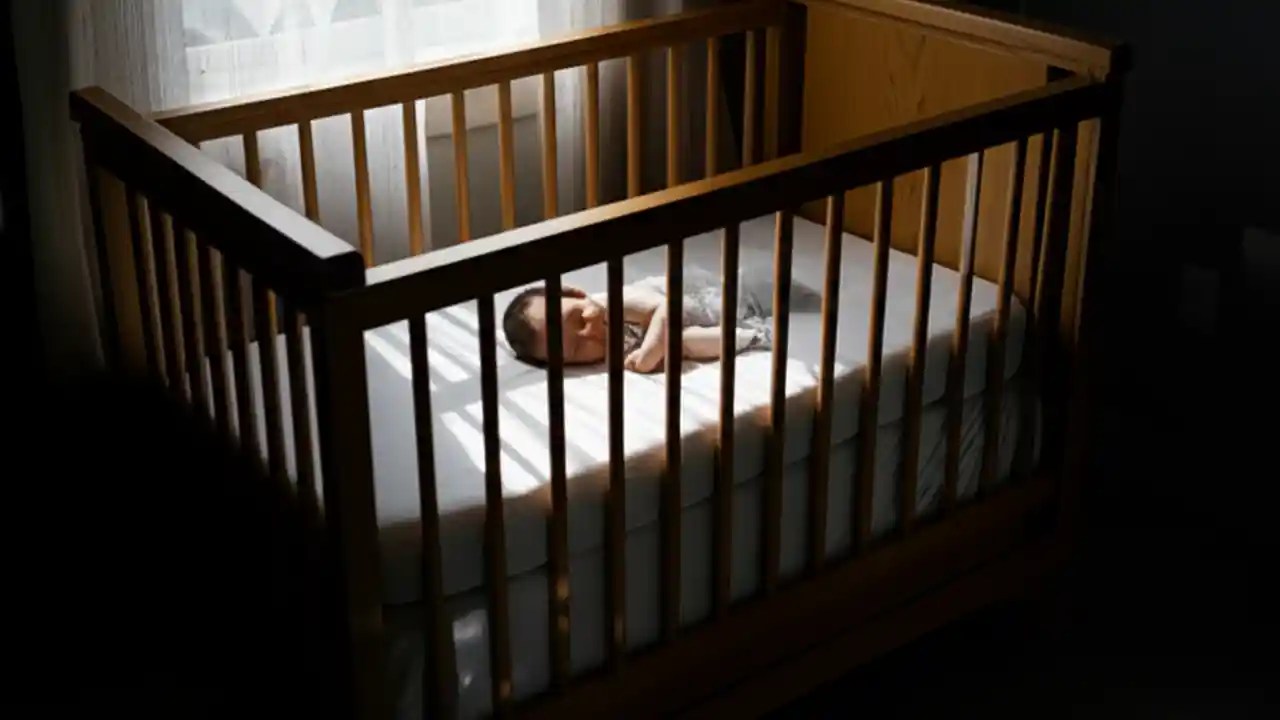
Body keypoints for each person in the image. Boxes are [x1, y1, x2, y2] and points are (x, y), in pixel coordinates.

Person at [502, 266, 817, 373]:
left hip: (706, 294)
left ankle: (830, 295)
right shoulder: (612, 356)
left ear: (575, 293)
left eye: (576, 318)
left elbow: (664, 308)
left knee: (777, 284)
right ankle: (751, 337)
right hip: (694, 326)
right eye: (575, 349)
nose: (589, 334)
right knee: (682, 345)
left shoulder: (610, 301)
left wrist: (651, 351)